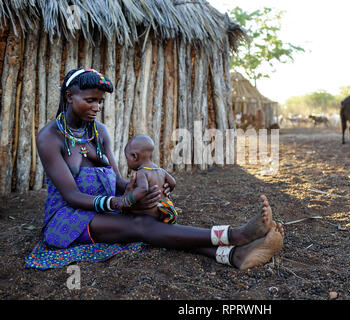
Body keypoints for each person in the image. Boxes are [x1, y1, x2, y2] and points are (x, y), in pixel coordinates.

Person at [27, 67, 284, 270]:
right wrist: (119, 203)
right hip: (69, 217)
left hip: (105, 207)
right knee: (141, 228)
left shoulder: (99, 132)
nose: (97, 107)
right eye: (90, 100)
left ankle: (234, 256)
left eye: (101, 102)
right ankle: (235, 235)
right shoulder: (50, 138)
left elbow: (115, 179)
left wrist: (146, 188)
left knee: (152, 222)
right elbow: (71, 196)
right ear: (70, 97)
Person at [124, 134, 178, 224]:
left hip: (152, 213)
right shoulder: (161, 170)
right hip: (166, 209)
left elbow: (143, 189)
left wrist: (126, 201)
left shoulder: (142, 172)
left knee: (129, 212)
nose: (127, 161)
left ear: (134, 156)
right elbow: (173, 182)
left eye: (127, 158)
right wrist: (166, 192)